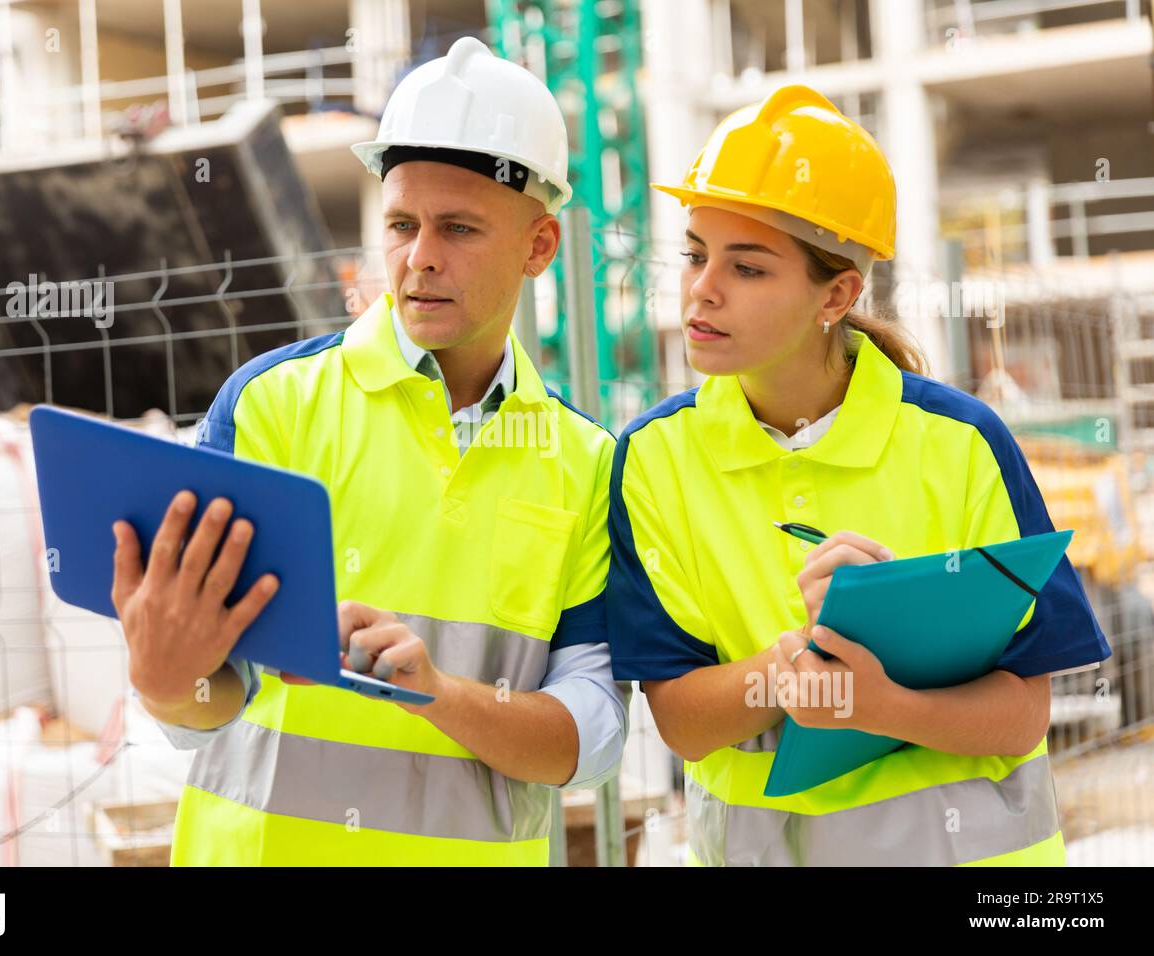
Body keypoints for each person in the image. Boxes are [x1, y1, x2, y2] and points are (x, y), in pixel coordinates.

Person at [110, 36, 625, 866]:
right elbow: (203, 705)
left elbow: (592, 742)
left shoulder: (588, 461)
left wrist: (438, 694)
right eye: (402, 225)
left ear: (539, 247)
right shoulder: (272, 406)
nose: (421, 258)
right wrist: (166, 681)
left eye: (459, 228)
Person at [606, 84, 1111, 866]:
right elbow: (681, 721)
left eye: (748, 267)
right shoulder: (652, 458)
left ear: (837, 294)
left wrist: (882, 703)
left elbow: (1022, 715)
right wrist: (794, 667)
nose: (703, 288)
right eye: (696, 254)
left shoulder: (961, 443)